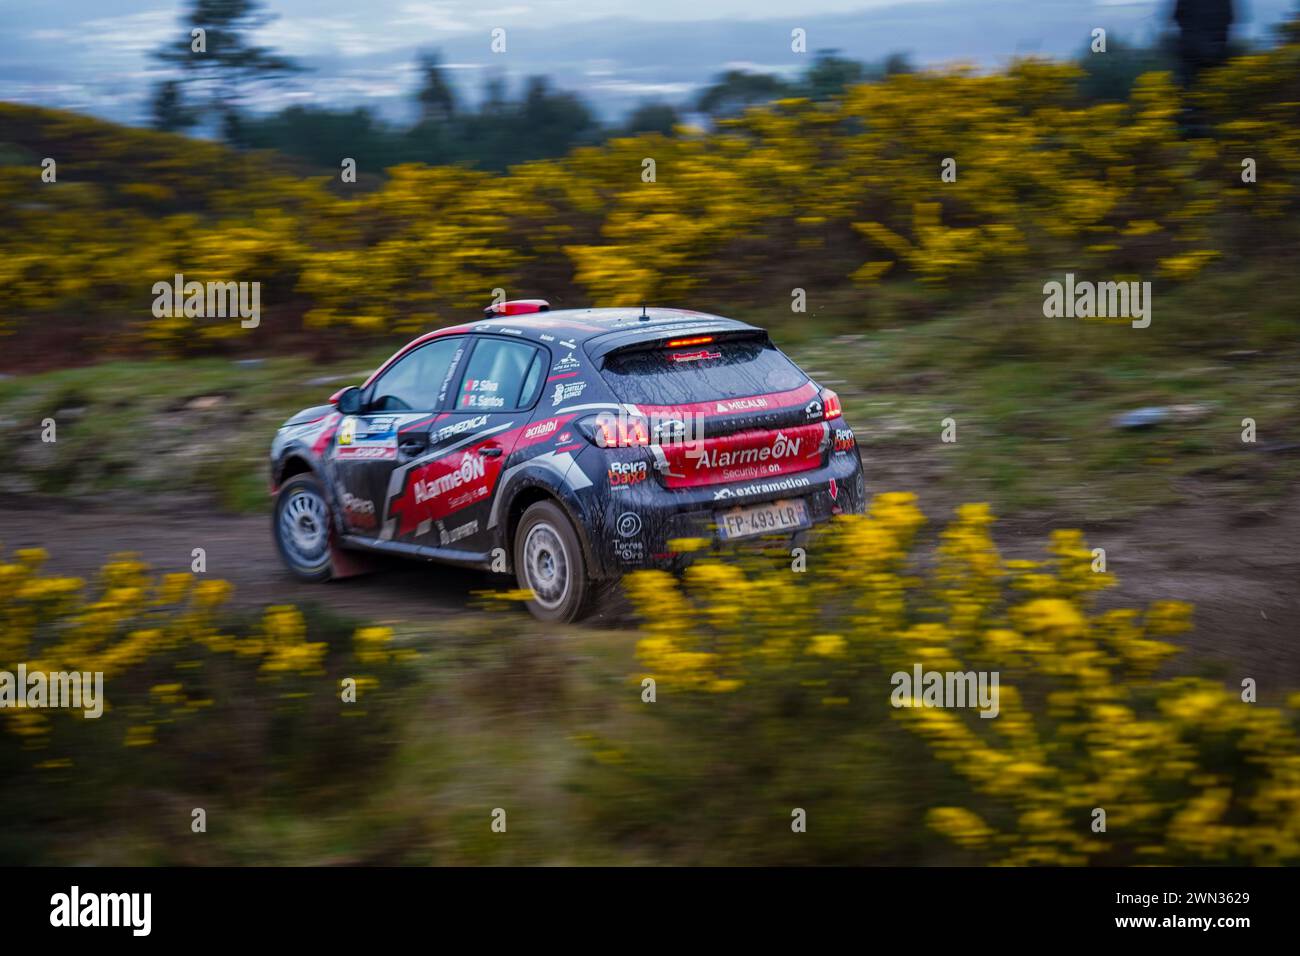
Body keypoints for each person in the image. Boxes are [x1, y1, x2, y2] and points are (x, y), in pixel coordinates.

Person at [1173, 0, 1236, 87]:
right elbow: (1229, 17)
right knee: (1219, 90)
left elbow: (1178, 16)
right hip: (1216, 51)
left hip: (1191, 52)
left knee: (1188, 91)